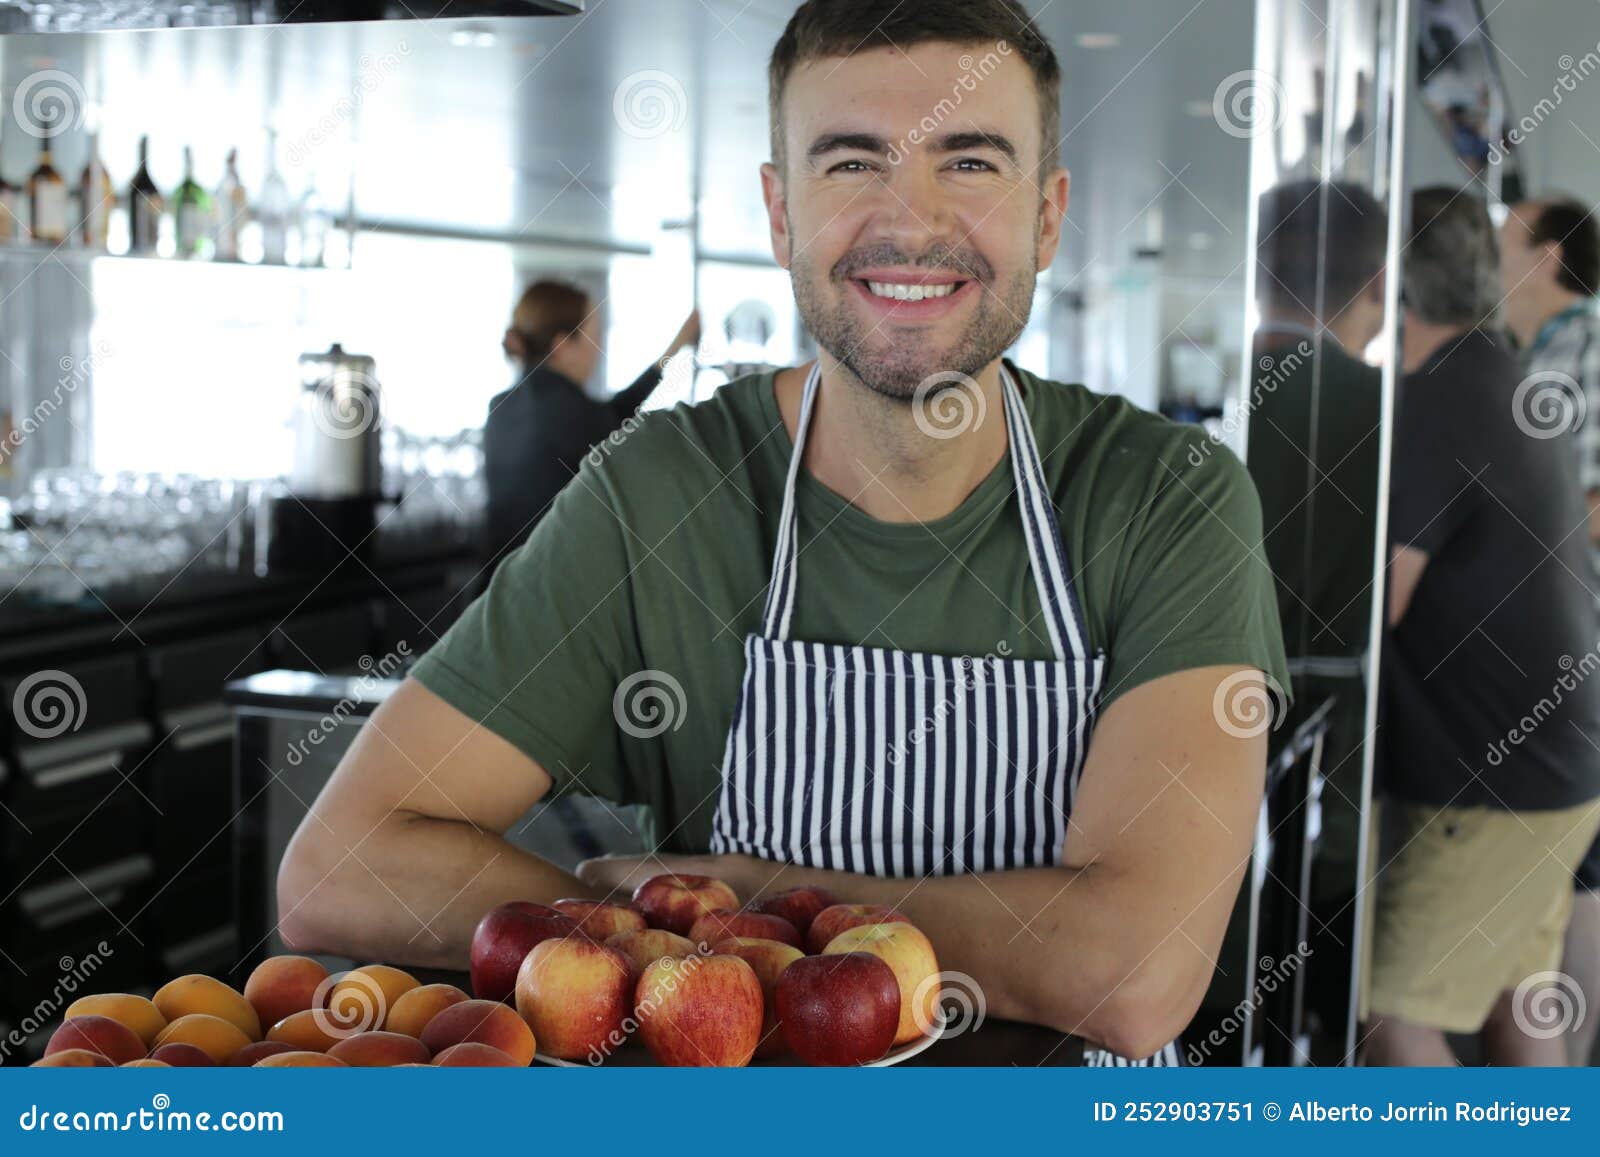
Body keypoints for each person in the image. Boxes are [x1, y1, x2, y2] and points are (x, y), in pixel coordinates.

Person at [277, 0, 1289, 1066]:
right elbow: (338, 866)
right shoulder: (660, 494)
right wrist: (651, 934)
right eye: (851, 164)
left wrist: (737, 903)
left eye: (971, 163)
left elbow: (1130, 976)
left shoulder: (1162, 494)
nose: (911, 220)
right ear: (778, 211)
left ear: (1045, 215)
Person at [1365, 188, 1600, 1066]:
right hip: (1559, 766)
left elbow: (1373, 604)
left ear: (1389, 285)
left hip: (1493, 784)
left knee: (1395, 1012)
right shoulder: (1499, 375)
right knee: (1519, 999)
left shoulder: (1436, 404)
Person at [1246, 179, 1387, 1044]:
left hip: (1208, 709)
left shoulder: (1214, 400)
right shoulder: (1383, 408)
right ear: (1375, 282)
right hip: (1345, 727)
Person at [1500, 196, 1600, 1065]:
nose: (1495, 262)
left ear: (1547, 255)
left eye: (1506, 244)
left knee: (1583, 873)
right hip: (1554, 654)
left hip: (1583, 655)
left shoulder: (1590, 342)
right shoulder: (1539, 350)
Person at [483, 279, 700, 567]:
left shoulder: (500, 406)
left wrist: (673, 349)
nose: (598, 349)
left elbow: (615, 412)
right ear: (562, 345)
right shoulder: (572, 413)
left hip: (498, 586)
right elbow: (617, 425)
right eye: (592, 336)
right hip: (553, 586)